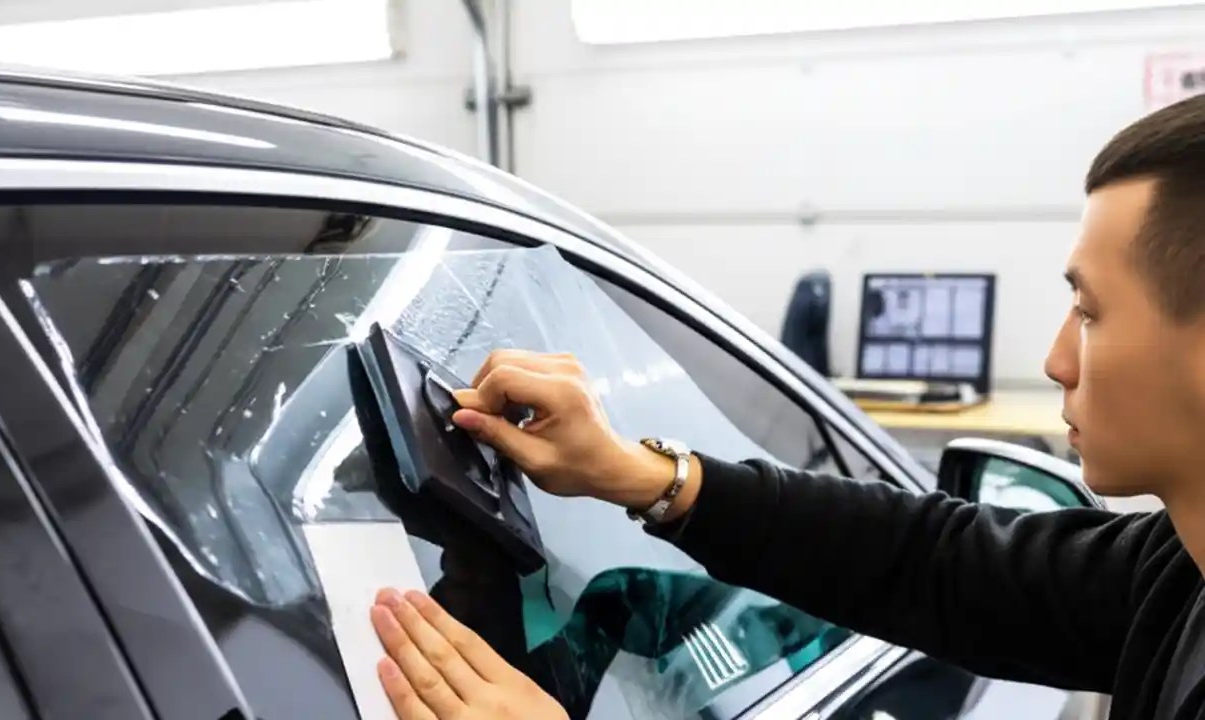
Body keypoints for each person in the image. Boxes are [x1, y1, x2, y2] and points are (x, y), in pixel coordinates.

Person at [368, 94, 1205, 720]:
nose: (1057, 359)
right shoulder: (1177, 573)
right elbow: (936, 563)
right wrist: (644, 475)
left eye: (1089, 313)